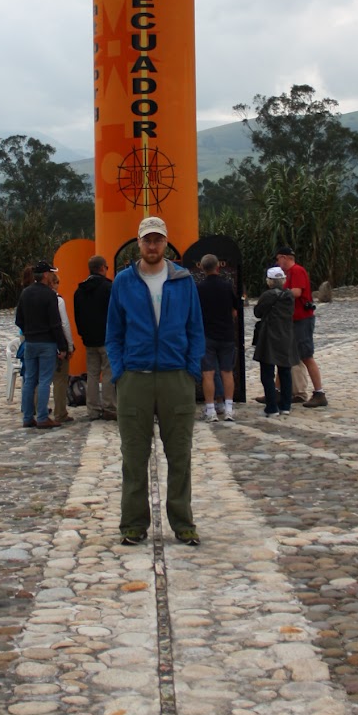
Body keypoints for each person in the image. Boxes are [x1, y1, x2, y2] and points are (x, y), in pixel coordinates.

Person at [105, 215, 205, 546]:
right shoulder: (123, 281)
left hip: (177, 377)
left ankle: (183, 522)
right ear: (138, 243)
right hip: (136, 378)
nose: (152, 246)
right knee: (133, 456)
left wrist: (191, 369)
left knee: (180, 455)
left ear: (166, 243)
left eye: (157, 240)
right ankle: (133, 524)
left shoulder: (183, 279)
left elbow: (195, 328)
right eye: (147, 240)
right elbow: (114, 333)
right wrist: (120, 371)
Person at [14, 261, 68, 430]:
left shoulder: (25, 293)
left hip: (30, 342)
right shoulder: (50, 295)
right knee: (45, 380)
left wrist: (29, 331)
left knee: (30, 379)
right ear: (46, 275)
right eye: (51, 273)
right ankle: (43, 417)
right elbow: (55, 323)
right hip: (47, 342)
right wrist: (63, 346)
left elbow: (19, 319)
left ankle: (28, 416)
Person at [275, 245, 327, 407]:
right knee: (285, 354)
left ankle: (319, 392)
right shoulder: (289, 273)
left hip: (302, 320)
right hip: (293, 320)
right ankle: (277, 391)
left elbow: (297, 292)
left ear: (284, 257)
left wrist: (277, 294)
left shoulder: (297, 271)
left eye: (278, 259)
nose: (278, 263)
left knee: (306, 355)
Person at [197, 253, 239, 423]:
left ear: (201, 268)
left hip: (207, 335)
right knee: (227, 372)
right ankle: (228, 409)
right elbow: (235, 310)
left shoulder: (199, 288)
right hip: (227, 334)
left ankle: (210, 410)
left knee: (208, 373)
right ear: (218, 266)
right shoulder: (227, 286)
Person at [74, 255, 117, 421]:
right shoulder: (108, 288)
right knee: (108, 373)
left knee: (92, 374)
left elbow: (77, 316)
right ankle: (109, 407)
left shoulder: (80, 290)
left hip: (89, 338)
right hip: (107, 337)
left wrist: (83, 333)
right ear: (102, 268)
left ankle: (92, 409)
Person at [253, 266, 299, 416]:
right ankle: (285, 405)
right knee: (285, 371)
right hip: (286, 335)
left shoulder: (268, 296)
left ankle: (271, 406)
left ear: (270, 281)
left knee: (267, 373)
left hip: (269, 336)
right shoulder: (289, 296)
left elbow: (258, 312)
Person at [49, 272, 76, 425]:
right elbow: (64, 324)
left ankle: (37, 411)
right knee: (60, 379)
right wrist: (69, 345)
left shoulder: (31, 295)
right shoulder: (57, 300)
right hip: (57, 344)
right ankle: (60, 412)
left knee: (41, 379)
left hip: (39, 342)